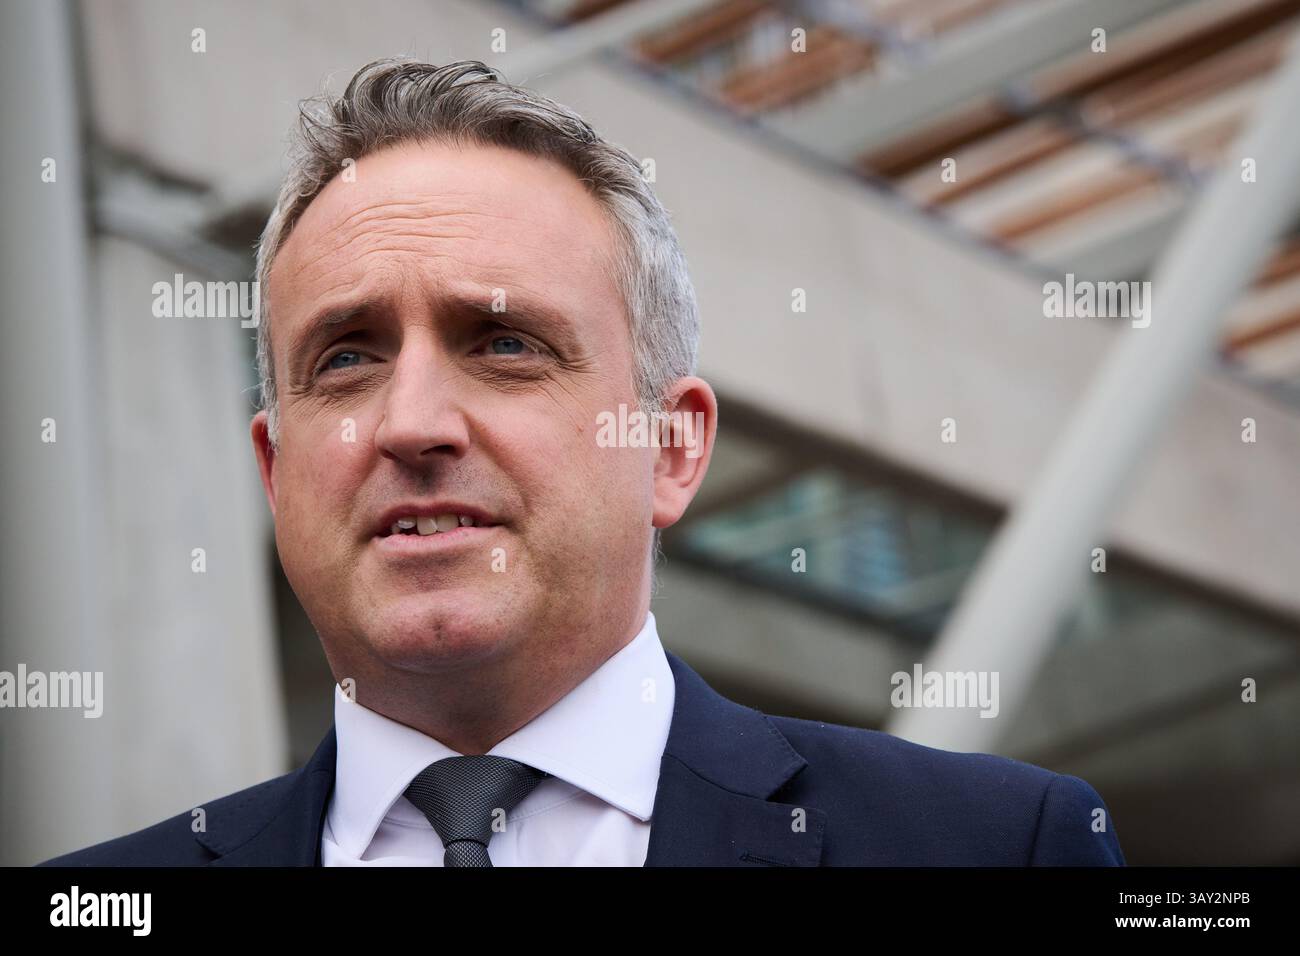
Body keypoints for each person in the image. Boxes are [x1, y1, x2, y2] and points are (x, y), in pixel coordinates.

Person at [42, 58, 1123, 867]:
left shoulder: (995, 845)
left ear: (670, 445)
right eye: (347, 356)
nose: (412, 421)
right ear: (276, 474)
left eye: (505, 343)